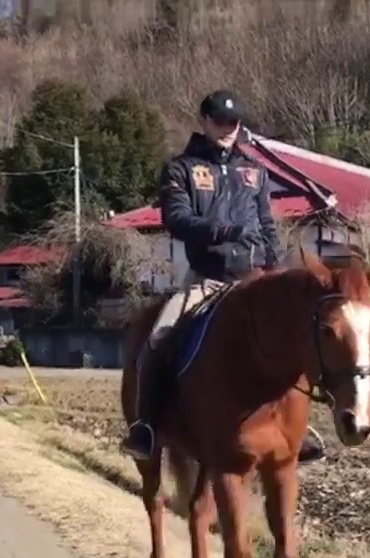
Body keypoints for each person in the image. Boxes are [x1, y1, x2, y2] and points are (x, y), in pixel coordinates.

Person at [121, 89, 326, 465]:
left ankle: (297, 429)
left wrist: (275, 268)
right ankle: (146, 426)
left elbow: (266, 224)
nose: (228, 129)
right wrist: (222, 231)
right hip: (207, 277)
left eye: (234, 122)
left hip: (255, 277)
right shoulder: (181, 169)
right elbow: (176, 218)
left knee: (291, 338)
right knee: (159, 336)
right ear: (204, 121)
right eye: (220, 121)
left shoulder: (255, 170)